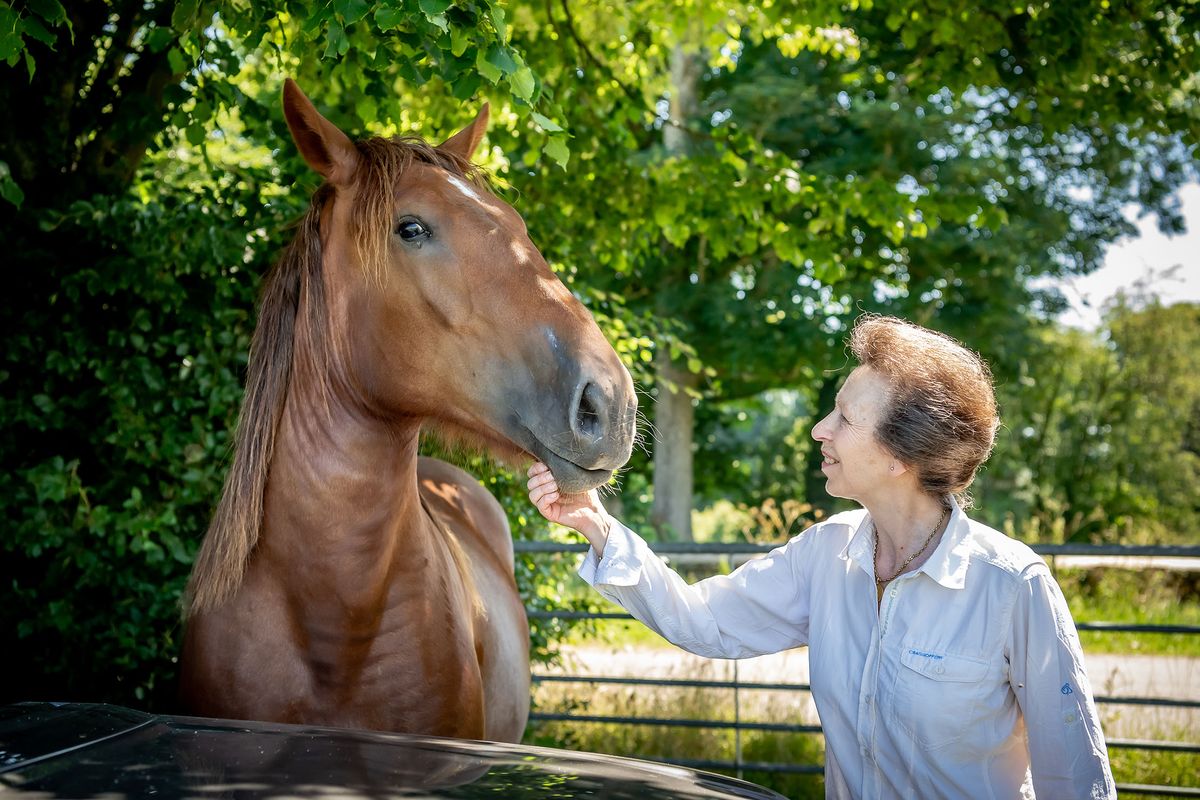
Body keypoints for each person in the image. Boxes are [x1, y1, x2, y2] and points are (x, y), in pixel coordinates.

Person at [526, 314, 1116, 799]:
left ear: (901, 457)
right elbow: (702, 621)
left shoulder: (1012, 586)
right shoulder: (824, 553)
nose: (819, 429)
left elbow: (1077, 779)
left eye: (845, 419)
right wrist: (596, 525)